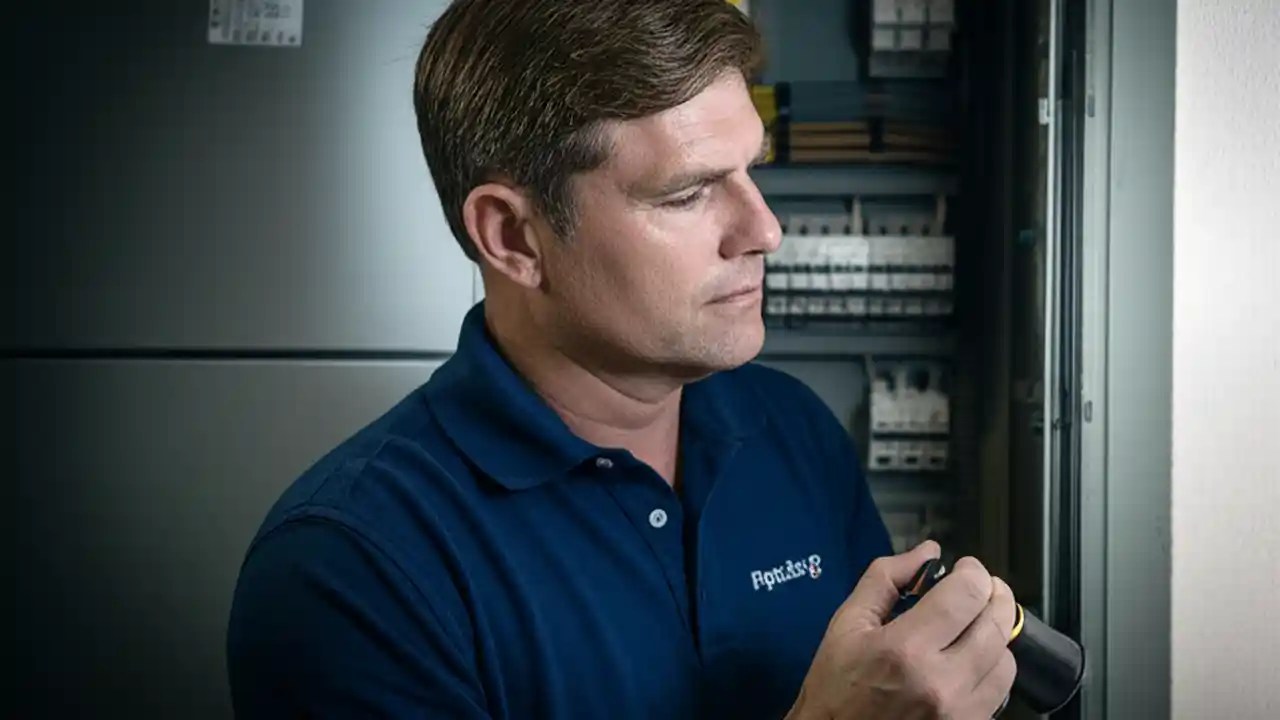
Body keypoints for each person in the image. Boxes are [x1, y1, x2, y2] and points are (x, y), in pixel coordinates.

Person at [226, 1, 1018, 717]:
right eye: (687, 194)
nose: (765, 230)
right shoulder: (349, 570)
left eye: (753, 169)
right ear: (513, 237)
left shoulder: (793, 431)